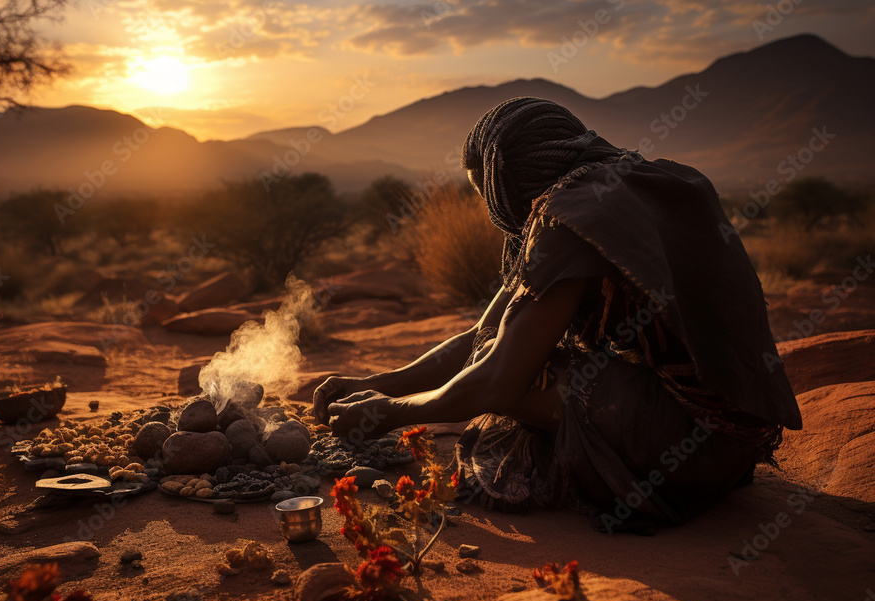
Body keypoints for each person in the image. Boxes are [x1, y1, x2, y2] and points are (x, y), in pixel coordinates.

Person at [313, 97, 801, 533]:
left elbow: (499, 379)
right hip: (738, 445)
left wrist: (391, 414)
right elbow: (486, 332)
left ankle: (627, 470)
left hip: (688, 450)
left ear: (502, 179)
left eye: (483, 190)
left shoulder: (565, 215)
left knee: (522, 369)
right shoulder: (632, 180)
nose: (487, 207)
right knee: (506, 350)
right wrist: (380, 379)